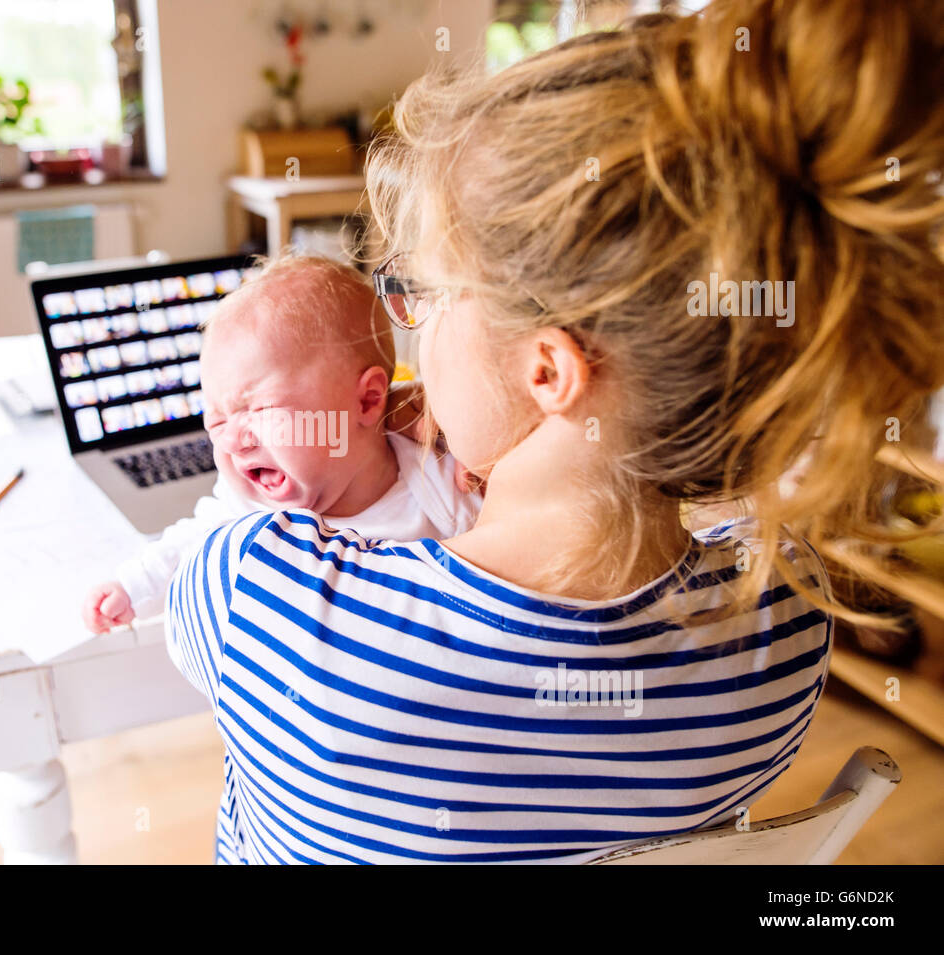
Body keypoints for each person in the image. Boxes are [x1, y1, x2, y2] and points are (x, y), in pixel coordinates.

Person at [166, 0, 944, 863]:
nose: (413, 332)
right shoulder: (786, 624)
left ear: (546, 371)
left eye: (426, 293)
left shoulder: (254, 592)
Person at [82, 255, 480, 632]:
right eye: (216, 421)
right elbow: (192, 544)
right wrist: (132, 589)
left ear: (367, 400)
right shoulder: (248, 507)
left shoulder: (437, 484)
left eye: (260, 409)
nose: (233, 441)